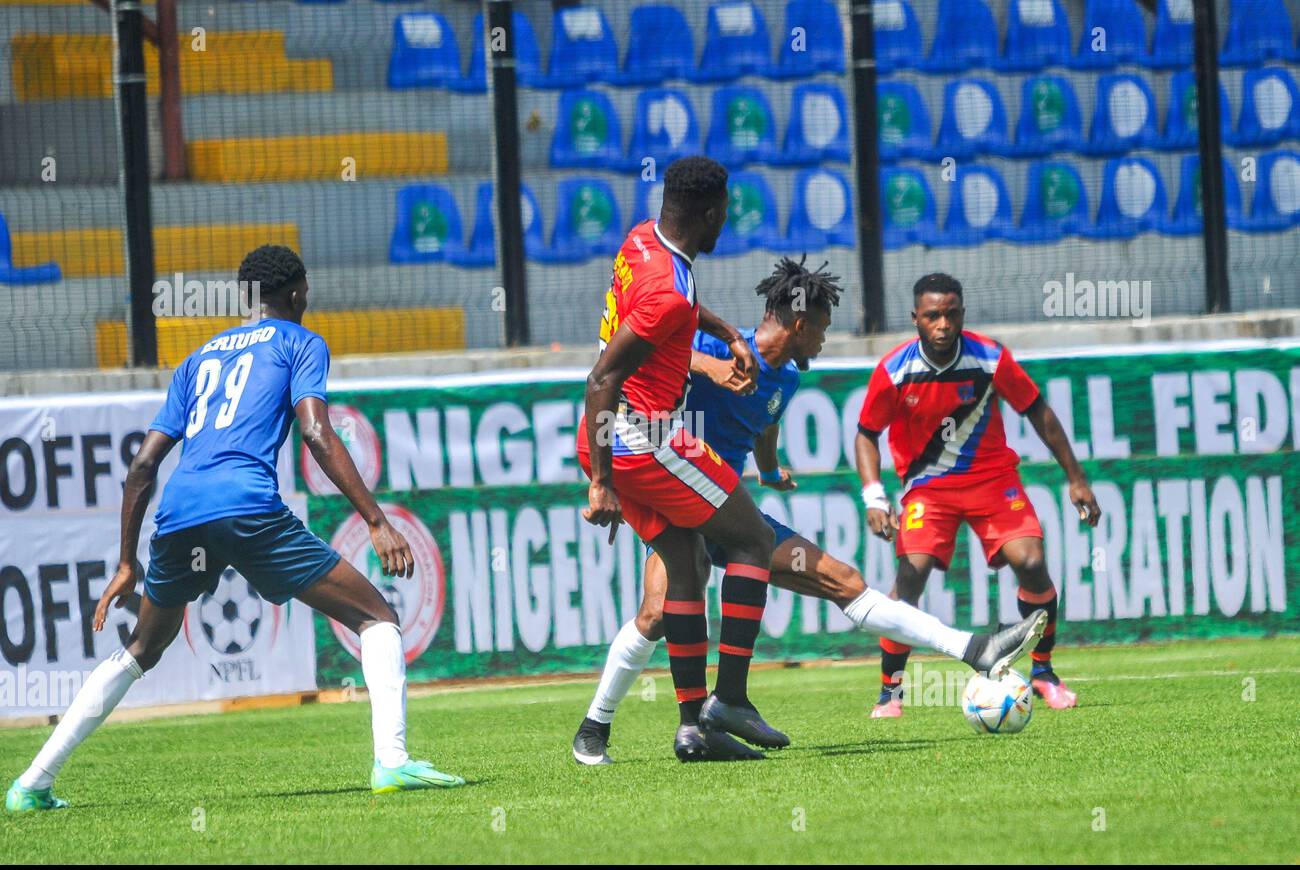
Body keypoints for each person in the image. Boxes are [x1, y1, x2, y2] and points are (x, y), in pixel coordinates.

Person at [5, 245, 462, 813]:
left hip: (178, 513)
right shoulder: (300, 343)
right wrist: (375, 519)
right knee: (377, 616)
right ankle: (392, 762)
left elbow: (143, 466)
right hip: (246, 507)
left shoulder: (197, 360)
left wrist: (127, 561)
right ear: (298, 294)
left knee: (141, 649)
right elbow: (318, 434)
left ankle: (33, 783)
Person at [572, 258, 1045, 764]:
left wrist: (770, 470)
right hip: (675, 495)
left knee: (841, 579)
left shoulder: (788, 380)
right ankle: (597, 728)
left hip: (727, 509)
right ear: (800, 325)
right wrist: (618, 477)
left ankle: (975, 649)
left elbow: (763, 424)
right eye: (821, 329)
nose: (823, 341)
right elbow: (647, 362)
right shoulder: (715, 347)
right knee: (658, 612)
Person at [576, 156, 796, 759]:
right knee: (753, 538)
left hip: (616, 438)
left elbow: (678, 306)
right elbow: (602, 379)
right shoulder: (668, 288)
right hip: (642, 440)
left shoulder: (645, 241)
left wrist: (727, 335)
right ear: (709, 212)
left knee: (686, 567)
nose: (727, 221)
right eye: (725, 211)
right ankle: (729, 699)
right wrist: (602, 484)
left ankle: (688, 730)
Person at [854, 272, 1103, 718]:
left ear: (962, 314)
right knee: (910, 574)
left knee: (1031, 562)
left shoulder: (990, 357)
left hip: (992, 480)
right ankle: (890, 690)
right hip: (928, 488)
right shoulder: (894, 370)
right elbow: (866, 434)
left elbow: (1037, 411)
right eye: (932, 316)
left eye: (951, 314)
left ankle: (1043, 671)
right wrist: (874, 497)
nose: (943, 325)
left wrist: (1076, 477)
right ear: (916, 319)